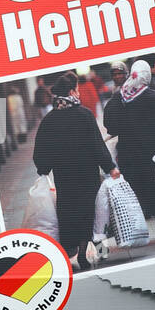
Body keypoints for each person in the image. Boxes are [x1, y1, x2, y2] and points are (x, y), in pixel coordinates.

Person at [33, 71, 119, 270]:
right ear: (71, 91)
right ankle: (98, 253)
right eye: (77, 90)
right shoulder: (84, 115)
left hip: (64, 178)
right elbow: (98, 145)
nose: (79, 94)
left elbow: (40, 153)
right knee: (94, 213)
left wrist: (44, 169)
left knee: (70, 215)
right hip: (87, 175)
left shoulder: (49, 120)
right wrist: (110, 167)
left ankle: (75, 254)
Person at [102, 60, 155, 240]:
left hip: (129, 154)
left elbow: (109, 126)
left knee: (137, 190)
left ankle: (135, 231)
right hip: (154, 153)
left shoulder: (118, 99)